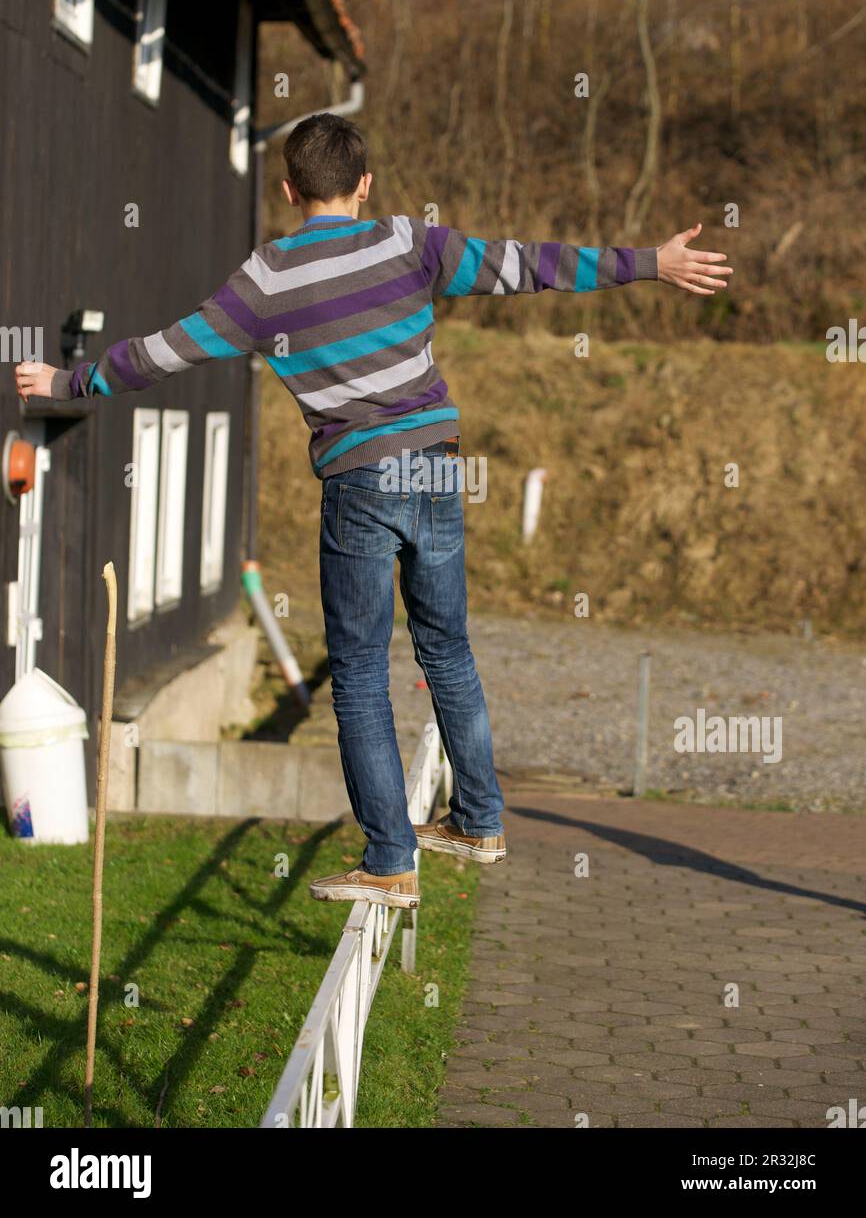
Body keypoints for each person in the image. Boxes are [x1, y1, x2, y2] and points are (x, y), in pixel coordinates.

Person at [16, 114, 732, 910]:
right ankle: (482, 820)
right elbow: (528, 265)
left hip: (358, 481)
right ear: (364, 183)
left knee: (358, 674)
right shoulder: (407, 242)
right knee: (447, 649)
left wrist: (69, 384)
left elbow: (163, 352)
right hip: (438, 465)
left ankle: (391, 860)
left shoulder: (264, 281)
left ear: (290, 191)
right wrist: (649, 264)